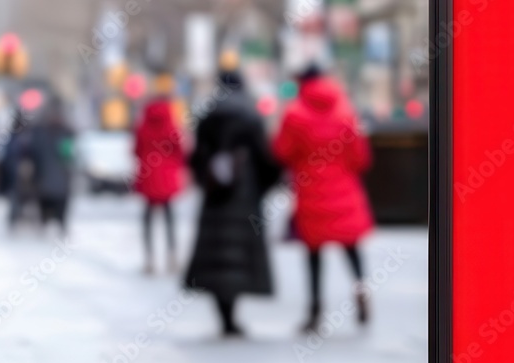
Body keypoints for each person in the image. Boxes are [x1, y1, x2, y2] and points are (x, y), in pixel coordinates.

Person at [273, 67, 374, 333]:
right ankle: (361, 289)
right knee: (351, 248)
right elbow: (361, 157)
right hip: (344, 191)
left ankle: (315, 310)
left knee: (314, 254)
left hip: (311, 193)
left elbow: (281, 151)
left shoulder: (294, 114)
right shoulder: (345, 111)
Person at [184, 69, 281, 336]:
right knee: (239, 257)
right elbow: (266, 159)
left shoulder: (208, 117)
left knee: (217, 258)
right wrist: (262, 187)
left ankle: (224, 316)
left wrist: (206, 181)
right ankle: (233, 313)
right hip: (245, 196)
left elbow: (194, 159)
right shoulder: (251, 116)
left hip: (215, 197)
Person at [133, 79, 185, 274]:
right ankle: (172, 255)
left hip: (148, 175)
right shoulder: (171, 124)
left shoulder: (143, 124)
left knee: (147, 216)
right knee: (169, 216)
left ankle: (149, 258)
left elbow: (136, 150)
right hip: (168, 176)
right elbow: (180, 150)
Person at [31, 98, 75, 234]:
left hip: (49, 182)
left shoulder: (42, 132)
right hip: (55, 183)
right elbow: (68, 157)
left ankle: (50, 225)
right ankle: (55, 226)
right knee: (55, 210)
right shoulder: (65, 133)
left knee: (50, 210)